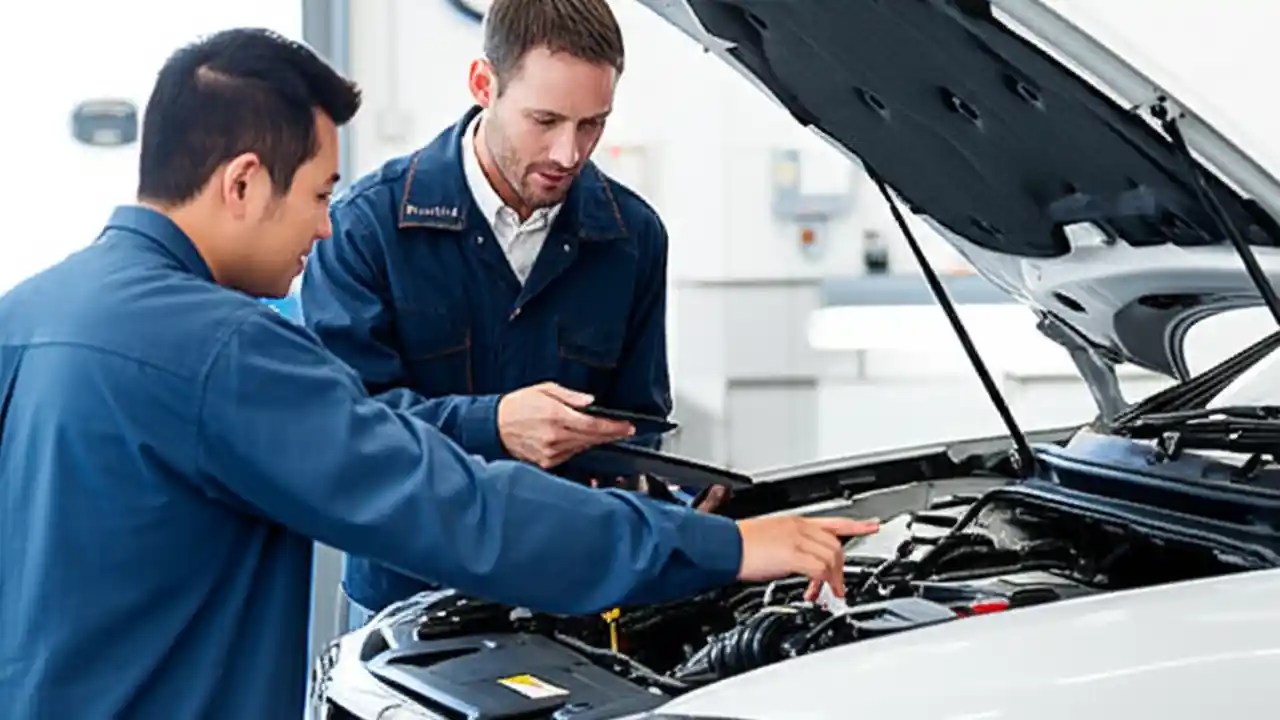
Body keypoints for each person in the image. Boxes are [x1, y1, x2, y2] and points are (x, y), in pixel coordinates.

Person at [0, 27, 879, 719]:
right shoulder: (225, 350)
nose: (322, 228)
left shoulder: (26, 315)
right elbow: (457, 505)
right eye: (315, 195)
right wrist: (724, 548)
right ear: (241, 183)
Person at [300, 0, 717, 630]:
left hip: (568, 596)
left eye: (592, 124)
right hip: (404, 602)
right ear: (482, 85)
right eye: (544, 120)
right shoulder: (366, 227)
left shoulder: (632, 238)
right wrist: (493, 425)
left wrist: (673, 493)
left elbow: (637, 426)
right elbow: (344, 433)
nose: (568, 153)